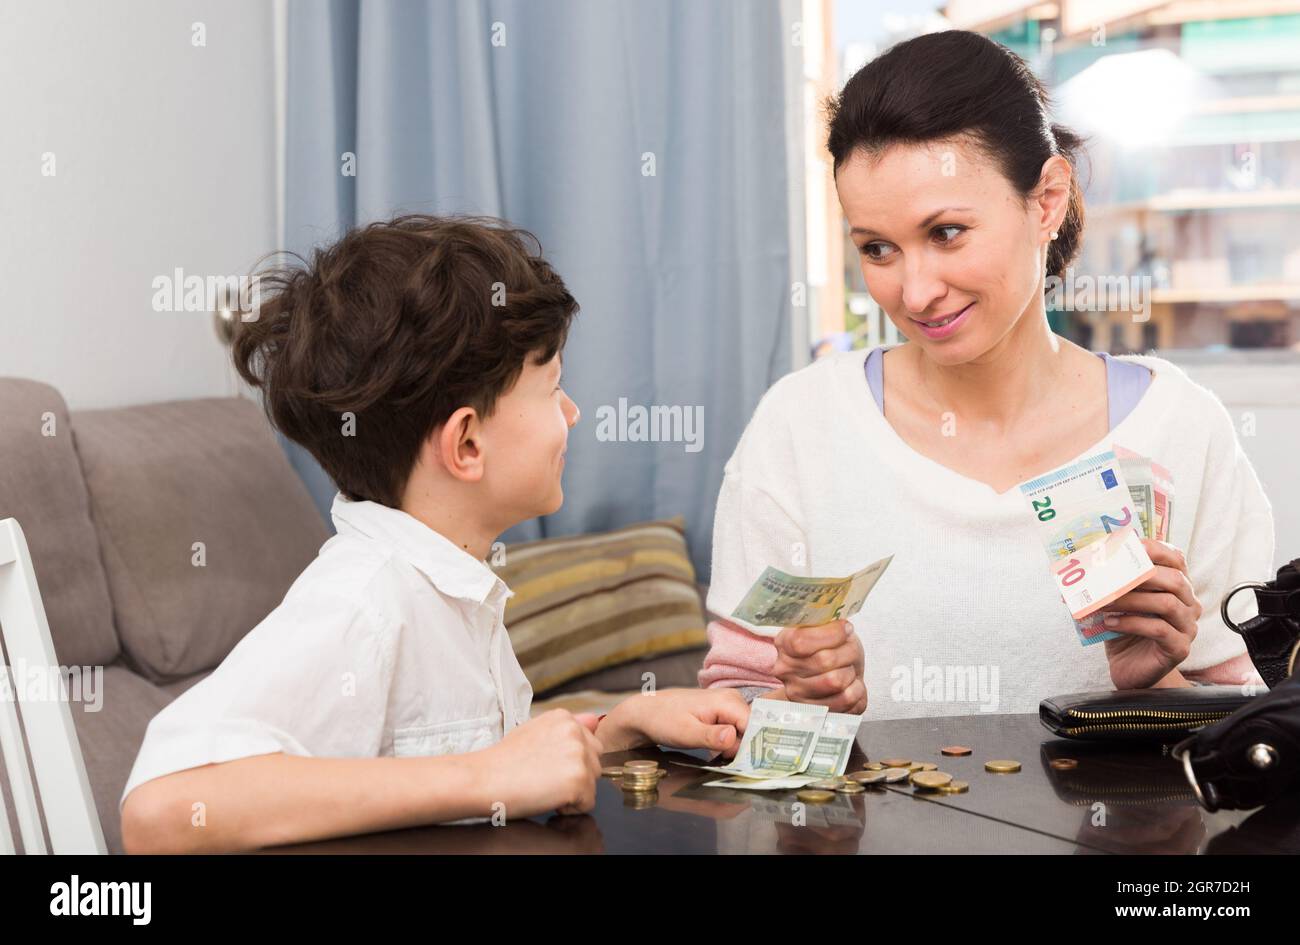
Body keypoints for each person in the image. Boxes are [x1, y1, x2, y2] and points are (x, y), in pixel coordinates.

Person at [120, 215, 749, 852]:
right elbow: (160, 810)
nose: (572, 411)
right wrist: (483, 776)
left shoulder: (451, 589)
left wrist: (614, 733)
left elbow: (477, 767)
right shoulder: (363, 601)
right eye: (553, 387)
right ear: (467, 444)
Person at [699, 30, 1273, 717]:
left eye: (946, 233)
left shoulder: (1184, 428)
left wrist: (1155, 685)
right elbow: (731, 721)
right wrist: (803, 699)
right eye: (878, 249)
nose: (914, 294)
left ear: (1047, 202)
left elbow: (1255, 741)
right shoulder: (800, 425)